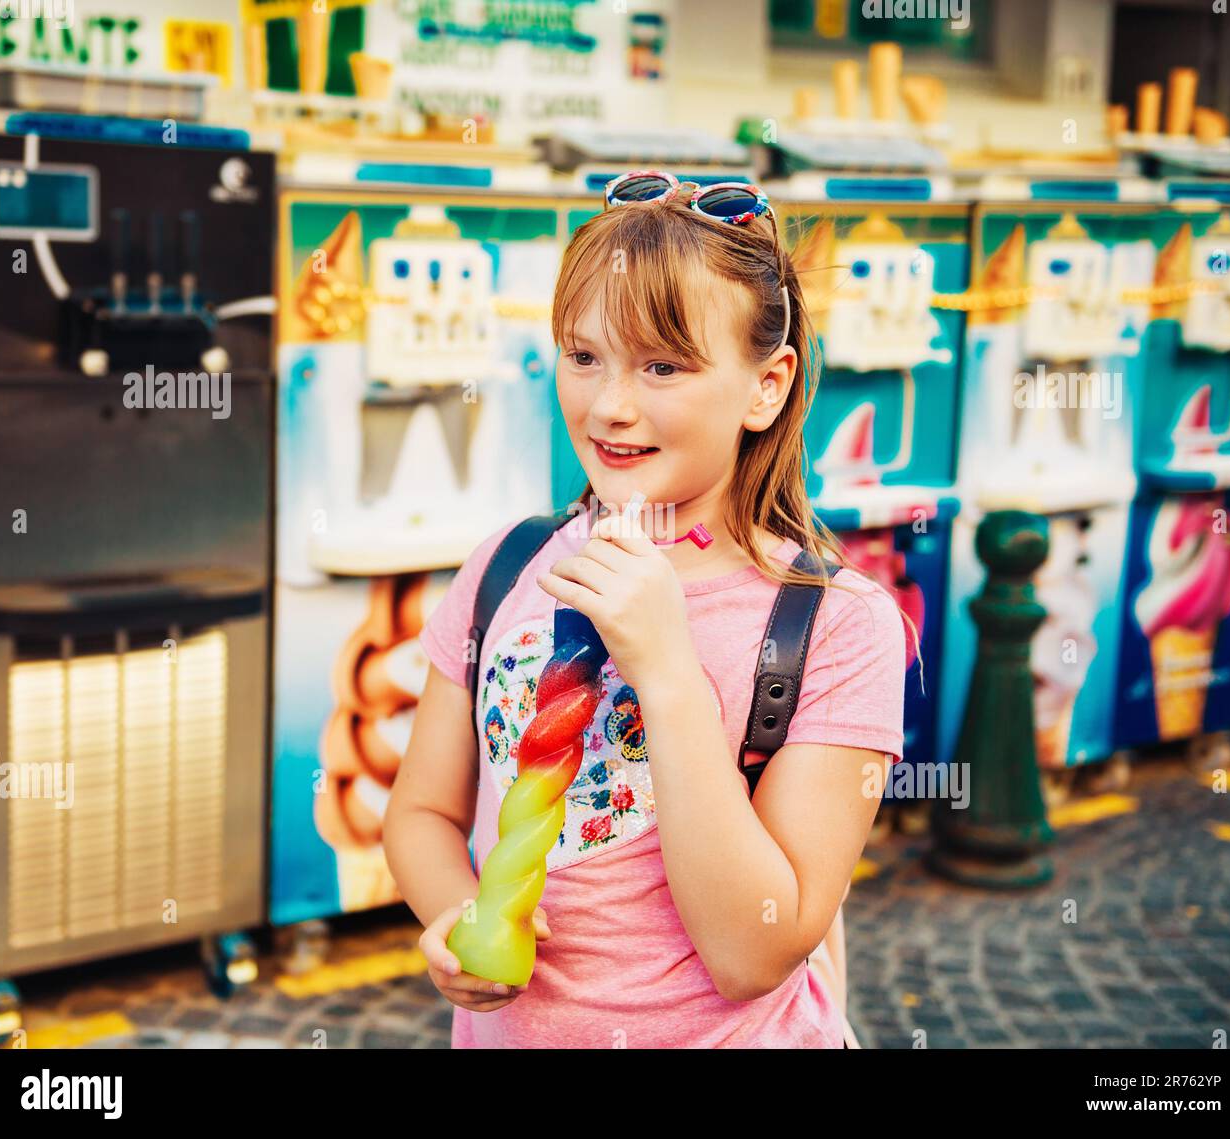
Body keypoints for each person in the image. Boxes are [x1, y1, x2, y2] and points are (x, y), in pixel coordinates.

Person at [383, 173, 909, 1048]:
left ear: (766, 387)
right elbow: (423, 813)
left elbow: (752, 952)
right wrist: (458, 915)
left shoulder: (838, 627)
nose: (611, 405)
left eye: (662, 366)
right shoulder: (508, 567)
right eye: (583, 355)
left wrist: (666, 672)